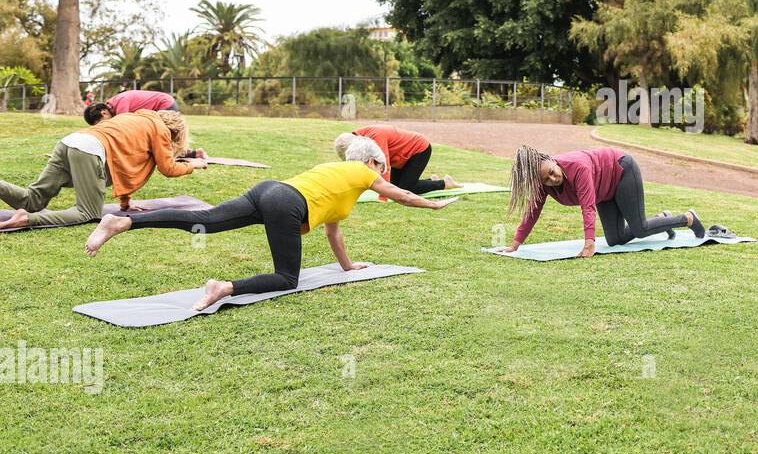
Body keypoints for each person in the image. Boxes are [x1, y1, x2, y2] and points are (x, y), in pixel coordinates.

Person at [85, 136, 458, 311]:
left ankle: (122, 223)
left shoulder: (336, 174)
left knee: (206, 220)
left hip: (270, 192)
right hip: (286, 205)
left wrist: (348, 266)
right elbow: (403, 195)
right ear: (374, 163)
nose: (383, 174)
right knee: (286, 278)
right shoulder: (362, 172)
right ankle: (222, 287)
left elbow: (333, 229)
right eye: (382, 169)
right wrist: (433, 206)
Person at [0, 110, 202, 230]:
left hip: (69, 142)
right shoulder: (161, 130)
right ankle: (27, 218)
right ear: (174, 131)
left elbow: (127, 161)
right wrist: (192, 165)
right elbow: (168, 168)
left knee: (33, 200)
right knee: (88, 213)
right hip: (89, 150)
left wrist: (125, 201)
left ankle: (24, 208)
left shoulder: (135, 118)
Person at [503, 145, 706, 258]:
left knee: (640, 228)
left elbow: (587, 207)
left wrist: (589, 243)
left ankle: (687, 218)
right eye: (546, 180)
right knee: (615, 239)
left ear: (551, 160)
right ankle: (662, 219)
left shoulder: (578, 167)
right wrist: (515, 244)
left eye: (552, 173)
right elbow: (532, 211)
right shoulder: (543, 183)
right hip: (604, 190)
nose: (553, 180)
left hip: (621, 170)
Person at [333, 126, 454, 196]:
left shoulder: (375, 136)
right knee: (395, 187)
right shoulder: (358, 138)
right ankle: (431, 180)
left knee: (405, 189)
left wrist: (383, 195)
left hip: (418, 149)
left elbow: (384, 164)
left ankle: (444, 183)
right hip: (400, 156)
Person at [84, 89, 179, 125]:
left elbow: (124, 127)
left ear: (103, 113)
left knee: (162, 135)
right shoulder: (113, 105)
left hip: (165, 105)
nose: (103, 126)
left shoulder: (121, 103)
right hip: (162, 105)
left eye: (101, 123)